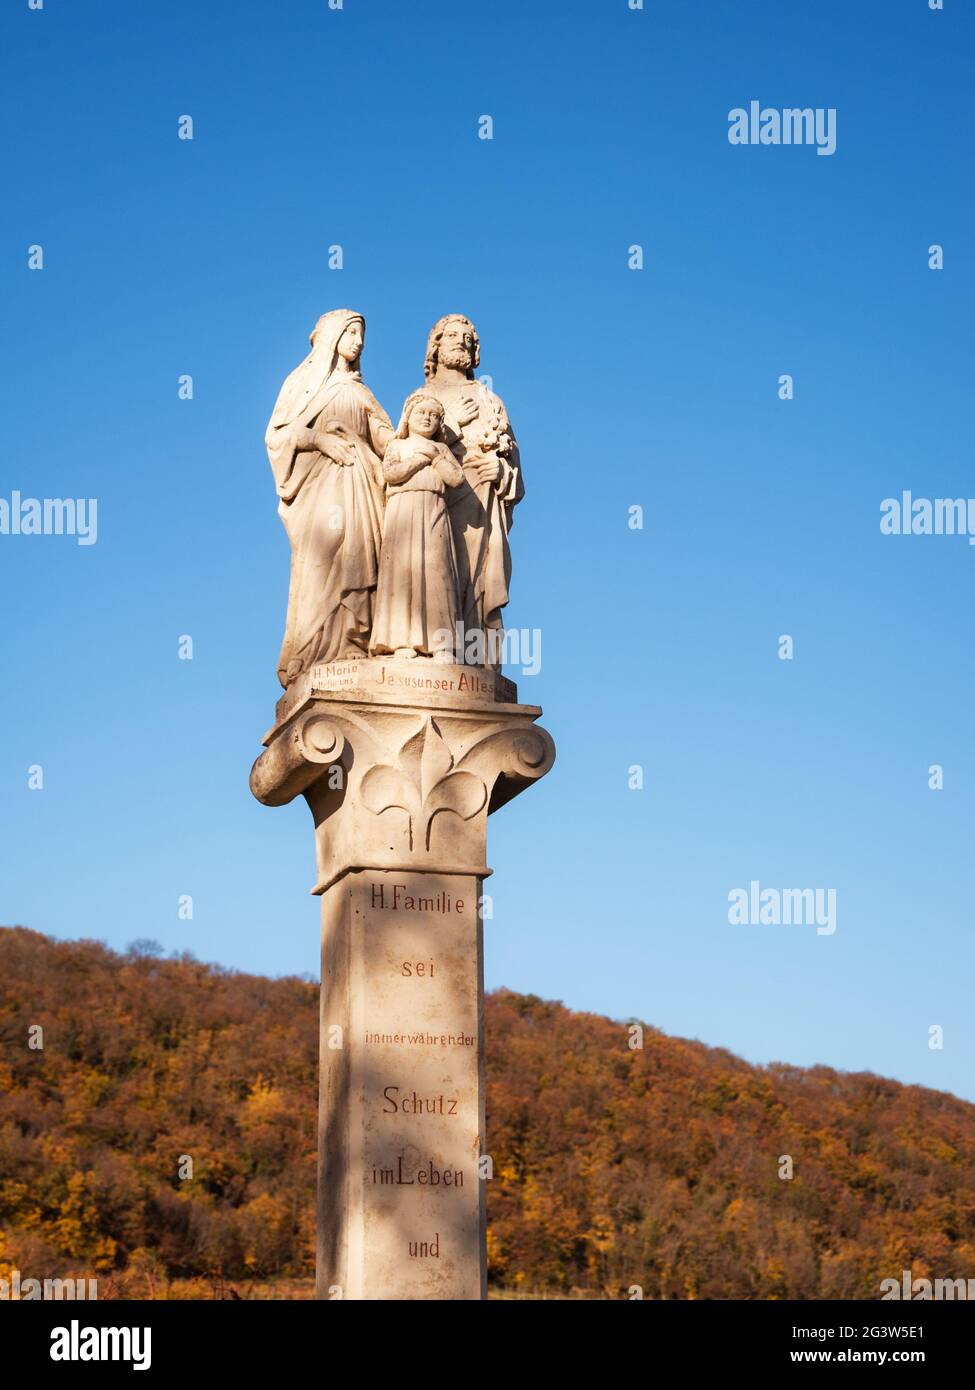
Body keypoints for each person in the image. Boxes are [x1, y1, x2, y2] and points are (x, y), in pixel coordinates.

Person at [265, 310, 392, 686]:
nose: (358, 342)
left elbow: (384, 438)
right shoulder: (302, 383)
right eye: (351, 333)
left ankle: (355, 642)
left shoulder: (361, 391)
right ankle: (318, 650)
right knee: (326, 557)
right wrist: (320, 439)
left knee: (360, 555)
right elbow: (279, 436)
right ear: (333, 336)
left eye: (361, 336)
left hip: (362, 486)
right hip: (322, 489)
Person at [370, 393, 465, 660]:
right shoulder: (398, 446)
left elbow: (456, 479)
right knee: (403, 572)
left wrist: (435, 457)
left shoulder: (441, 449)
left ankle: (441, 644)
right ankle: (402, 640)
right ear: (408, 417)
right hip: (403, 511)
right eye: (421, 412)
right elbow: (391, 473)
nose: (427, 418)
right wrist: (420, 458)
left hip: (434, 509)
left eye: (434, 415)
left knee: (438, 572)